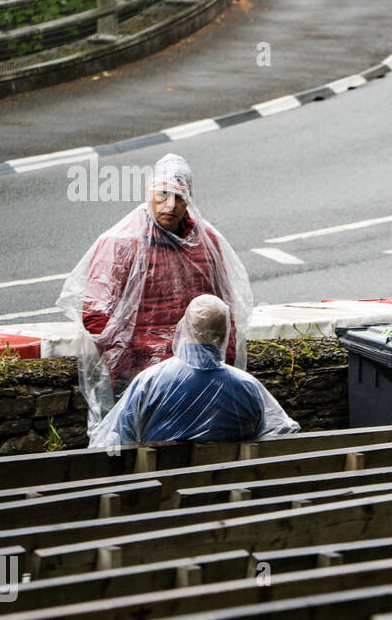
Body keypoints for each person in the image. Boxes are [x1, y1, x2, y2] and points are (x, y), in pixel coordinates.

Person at [57, 153, 252, 430]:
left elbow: (225, 307)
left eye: (179, 197)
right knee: (140, 450)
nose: (170, 205)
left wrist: (222, 362)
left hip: (200, 377)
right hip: (141, 380)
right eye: (162, 194)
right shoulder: (122, 242)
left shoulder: (205, 242)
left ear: (190, 200)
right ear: (149, 193)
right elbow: (95, 313)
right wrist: (131, 367)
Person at [89, 295, 298, 447]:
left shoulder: (150, 381)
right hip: (228, 490)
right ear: (225, 333)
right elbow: (282, 431)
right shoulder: (248, 387)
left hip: (161, 490)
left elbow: (116, 438)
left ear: (185, 327)